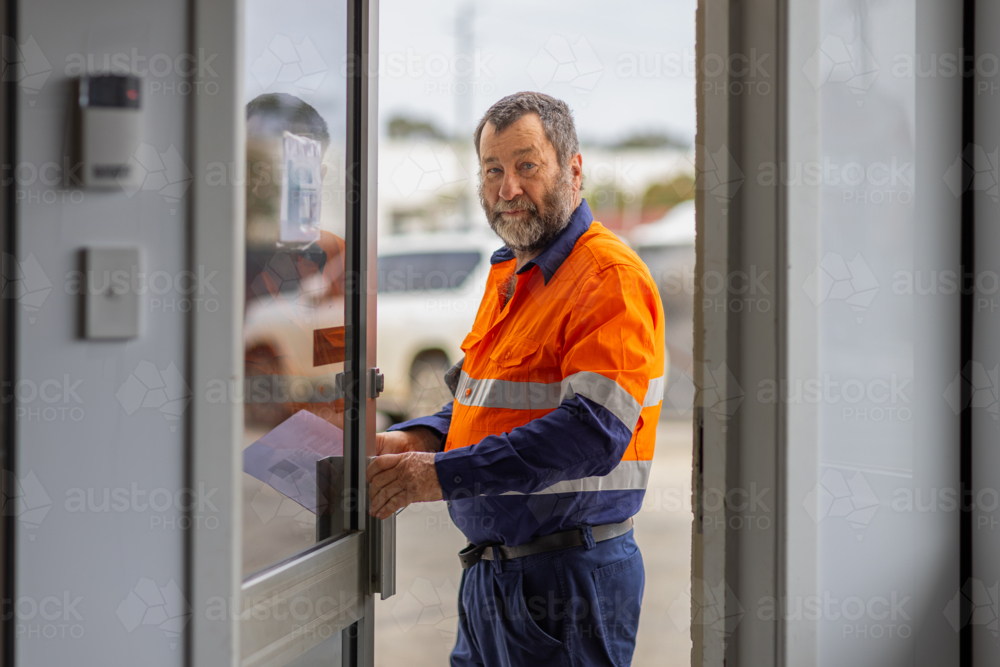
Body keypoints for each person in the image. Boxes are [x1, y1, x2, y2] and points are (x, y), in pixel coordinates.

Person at [366, 92, 665, 666]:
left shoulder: (607, 276)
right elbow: (481, 405)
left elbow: (592, 434)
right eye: (493, 170)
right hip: (491, 577)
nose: (508, 189)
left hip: (566, 583)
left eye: (527, 166)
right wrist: (417, 440)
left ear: (573, 169)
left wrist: (438, 476)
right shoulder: (510, 272)